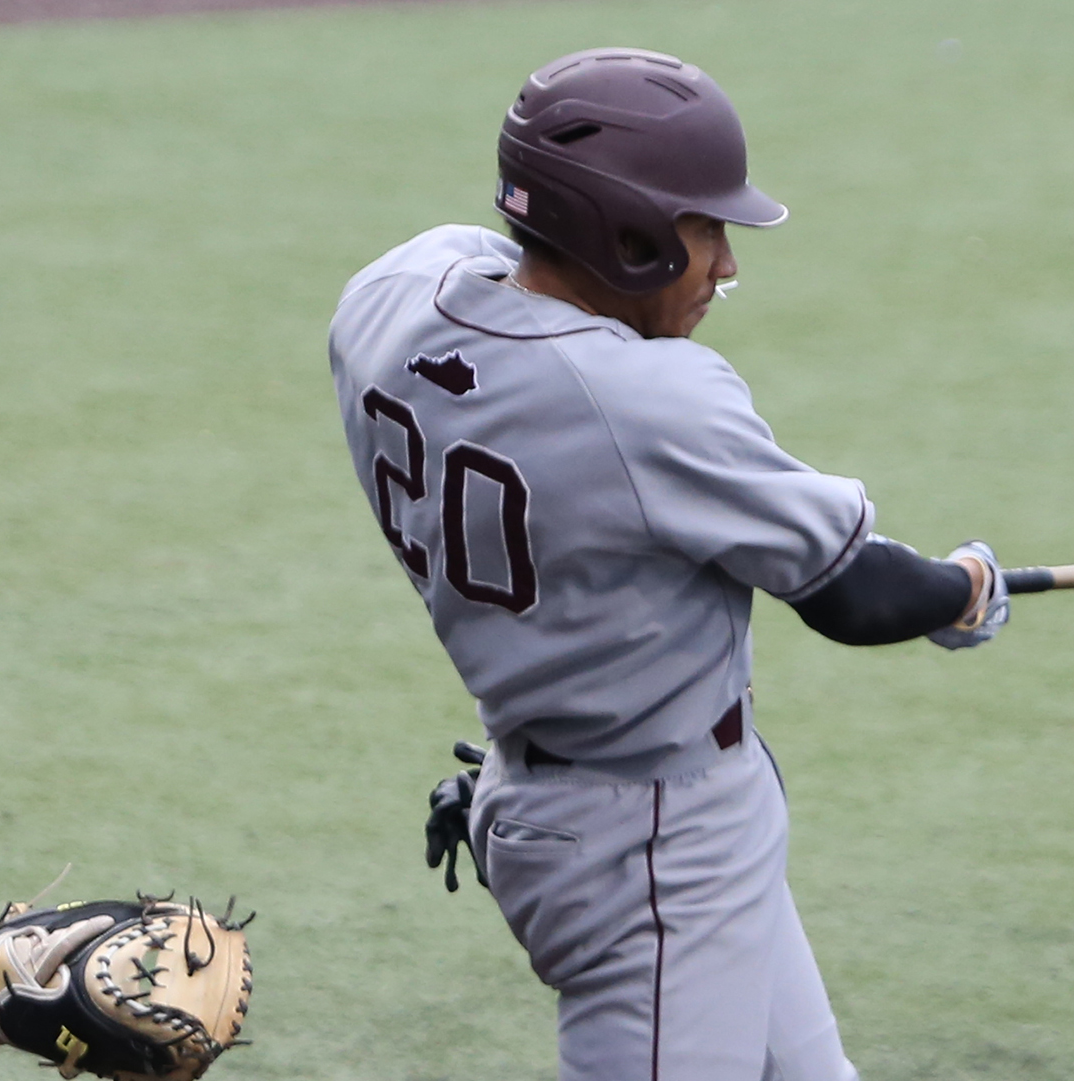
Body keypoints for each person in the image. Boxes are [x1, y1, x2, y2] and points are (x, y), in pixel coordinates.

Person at [327, 47, 1009, 1081]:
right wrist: (966, 587)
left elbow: (498, 270)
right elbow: (855, 591)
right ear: (629, 233)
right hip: (648, 842)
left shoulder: (387, 298)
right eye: (705, 228)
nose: (726, 264)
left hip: (557, 784)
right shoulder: (647, 400)